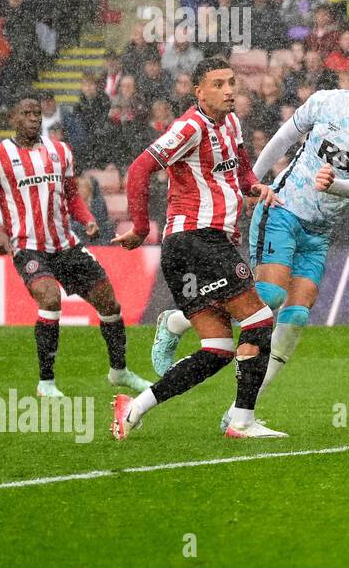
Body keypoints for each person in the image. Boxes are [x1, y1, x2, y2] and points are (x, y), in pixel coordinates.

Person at [147, 52, 349, 435]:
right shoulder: (325, 102)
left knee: (296, 316)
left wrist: (334, 185)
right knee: (268, 297)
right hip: (283, 211)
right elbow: (284, 137)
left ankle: (240, 410)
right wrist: (250, 183)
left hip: (319, 232)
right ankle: (177, 320)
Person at [111, 58, 279, 439]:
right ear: (199, 92)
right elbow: (139, 169)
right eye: (218, 84)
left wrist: (255, 188)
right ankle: (241, 421)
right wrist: (140, 228)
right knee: (259, 321)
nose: (229, 90)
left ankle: (134, 407)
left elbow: (242, 172)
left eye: (231, 82)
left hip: (198, 245)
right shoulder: (190, 127)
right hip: (195, 239)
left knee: (218, 349)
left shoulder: (231, 123)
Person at [0, 96, 151, 398]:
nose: (33, 118)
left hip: (66, 245)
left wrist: (87, 218)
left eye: (37, 113)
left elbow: (71, 195)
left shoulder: (61, 151)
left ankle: (119, 371)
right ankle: (46, 382)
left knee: (110, 303)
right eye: (26, 113)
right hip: (28, 246)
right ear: (12, 118)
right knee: (50, 299)